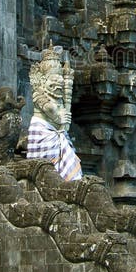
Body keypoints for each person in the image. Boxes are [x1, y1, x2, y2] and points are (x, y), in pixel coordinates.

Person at [27, 45, 82, 181]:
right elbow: (51, 111)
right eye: (54, 78)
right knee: (46, 169)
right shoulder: (38, 94)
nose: (59, 81)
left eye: (60, 78)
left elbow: (65, 127)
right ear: (43, 80)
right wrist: (60, 117)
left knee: (70, 160)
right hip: (42, 134)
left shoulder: (60, 99)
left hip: (58, 134)